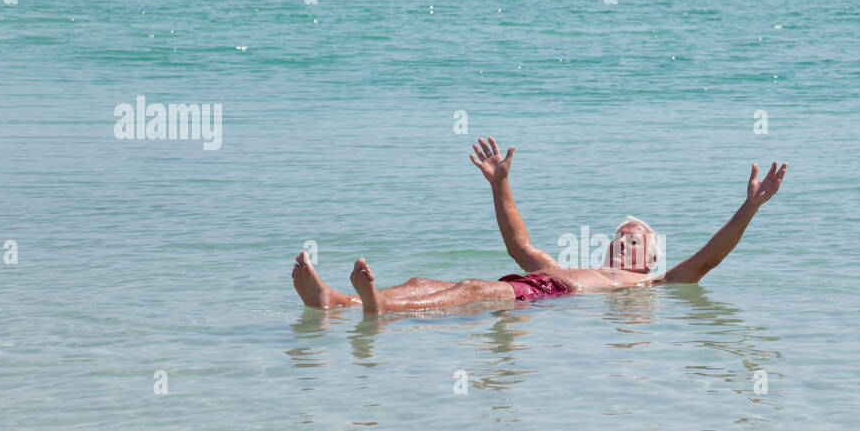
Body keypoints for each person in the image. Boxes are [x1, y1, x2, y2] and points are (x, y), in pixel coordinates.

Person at [292, 137, 787, 314]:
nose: (619, 244)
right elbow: (519, 243)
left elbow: (708, 258)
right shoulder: (570, 266)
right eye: (616, 238)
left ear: (651, 257)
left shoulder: (655, 283)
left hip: (544, 298)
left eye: (631, 241)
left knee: (467, 287)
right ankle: (340, 301)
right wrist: (499, 184)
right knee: (424, 282)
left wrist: (751, 208)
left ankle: (377, 309)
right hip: (530, 287)